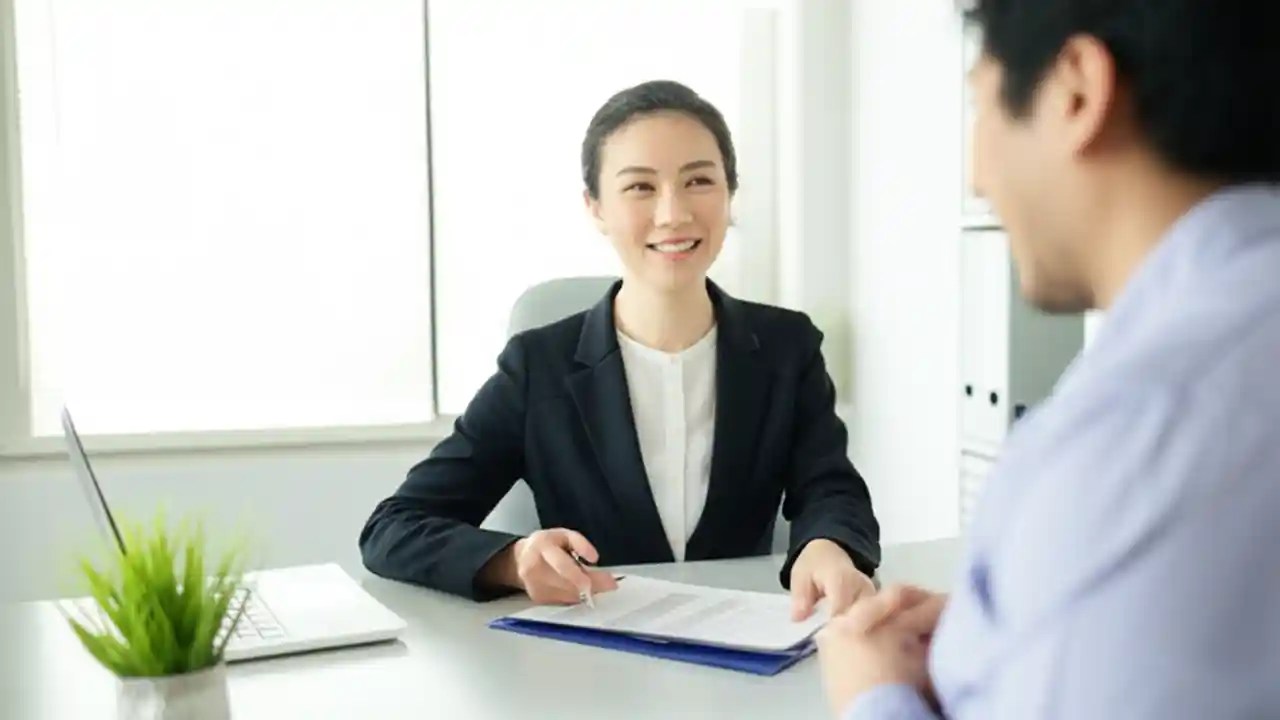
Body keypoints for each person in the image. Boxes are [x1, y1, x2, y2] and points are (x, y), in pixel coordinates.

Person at [817, 0, 1280, 717]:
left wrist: (874, 694)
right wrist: (1014, 631)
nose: (976, 175)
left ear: (1076, 91)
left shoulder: (1135, 433)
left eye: (982, 104)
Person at [359, 80, 880, 618]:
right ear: (596, 207)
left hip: (745, 649)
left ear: (729, 194)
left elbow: (831, 490)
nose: (673, 213)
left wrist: (828, 546)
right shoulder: (538, 368)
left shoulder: (786, 348)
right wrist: (512, 561)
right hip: (595, 660)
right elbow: (393, 527)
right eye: (640, 187)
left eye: (699, 180)